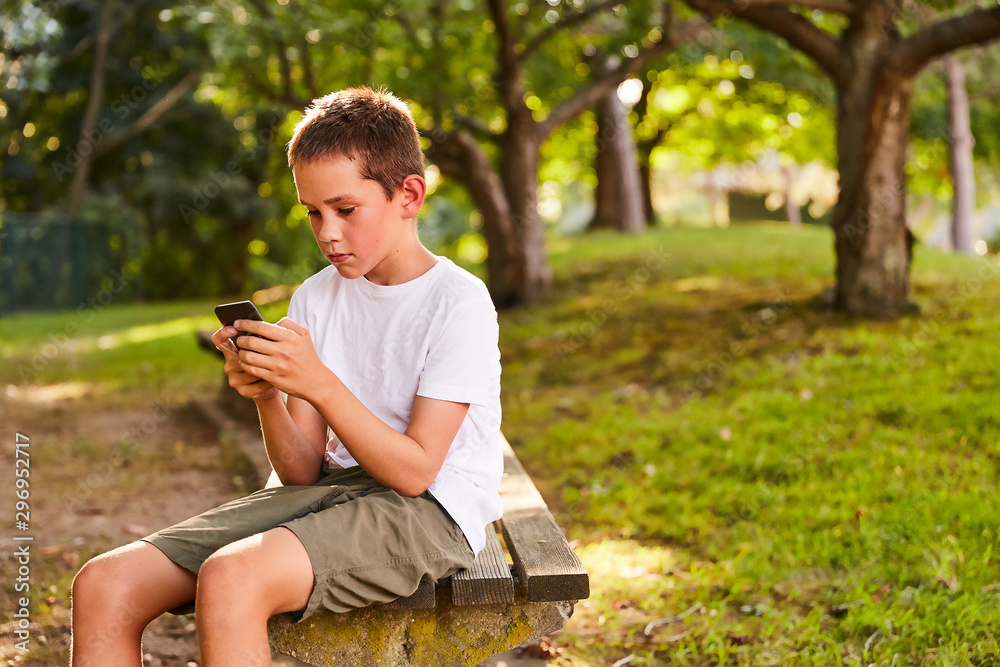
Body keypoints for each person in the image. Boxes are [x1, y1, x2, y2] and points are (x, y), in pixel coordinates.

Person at [70, 86, 503, 667]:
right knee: (103, 584)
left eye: (345, 210)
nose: (327, 232)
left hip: (433, 509)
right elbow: (299, 472)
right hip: (331, 491)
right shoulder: (315, 298)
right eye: (313, 213)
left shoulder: (458, 303)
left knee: (231, 577)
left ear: (409, 195)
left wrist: (318, 382)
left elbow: (415, 473)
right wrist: (269, 394)